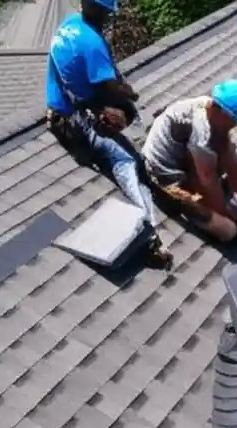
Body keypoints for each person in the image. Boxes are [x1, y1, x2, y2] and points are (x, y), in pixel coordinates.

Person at [46, 0, 171, 268]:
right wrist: (131, 95)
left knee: (122, 108)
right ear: (102, 10)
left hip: (60, 108)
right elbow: (111, 85)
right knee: (127, 162)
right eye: (107, 12)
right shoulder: (92, 44)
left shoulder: (69, 25)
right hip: (74, 121)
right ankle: (149, 232)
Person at [141, 81, 237, 245]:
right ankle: (193, 203)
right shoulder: (202, 133)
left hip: (185, 162)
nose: (234, 126)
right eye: (234, 121)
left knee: (224, 146)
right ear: (224, 112)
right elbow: (208, 181)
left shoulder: (211, 110)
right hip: (163, 177)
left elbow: (234, 167)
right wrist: (234, 219)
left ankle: (205, 192)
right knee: (228, 230)